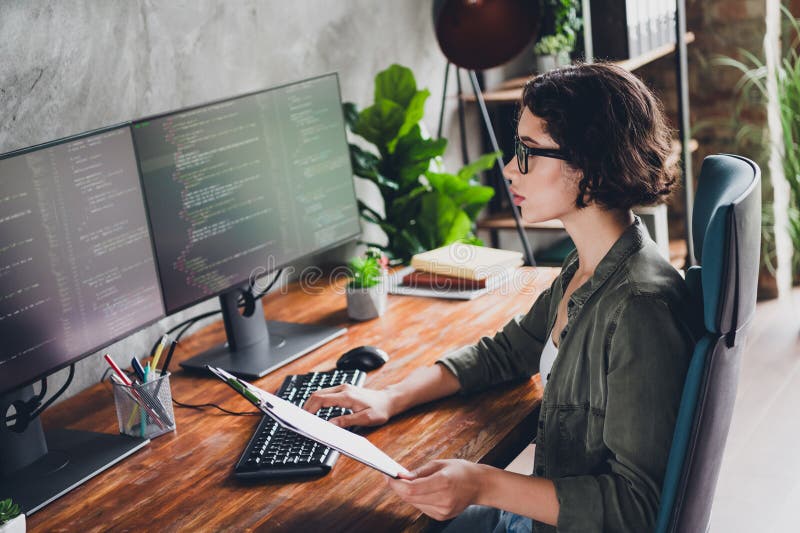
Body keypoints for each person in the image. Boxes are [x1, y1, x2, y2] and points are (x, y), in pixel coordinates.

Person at [303, 63, 701, 533]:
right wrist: (390, 396)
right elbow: (507, 351)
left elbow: (637, 509)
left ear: (591, 162)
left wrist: (482, 484)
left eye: (529, 152)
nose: (510, 168)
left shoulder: (639, 309)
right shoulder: (590, 265)